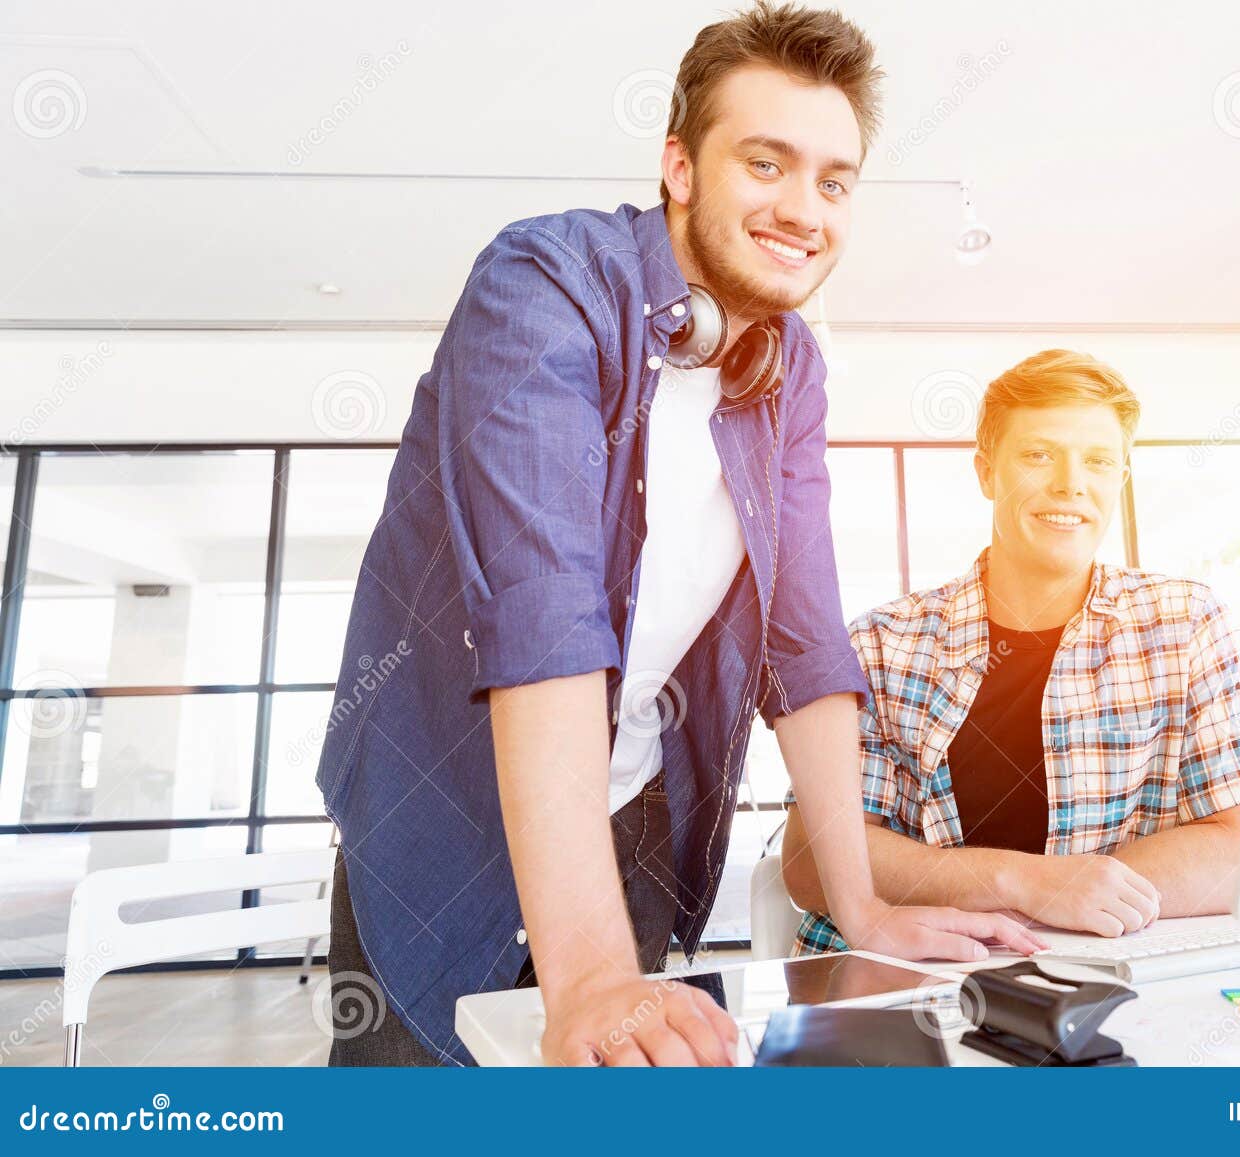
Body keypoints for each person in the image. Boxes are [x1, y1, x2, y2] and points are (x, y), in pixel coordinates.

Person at [316, 2, 1036, 1067]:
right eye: (766, 163)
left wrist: (864, 906)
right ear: (680, 168)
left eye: (834, 182)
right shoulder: (542, 284)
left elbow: (804, 642)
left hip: (633, 817)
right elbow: (543, 609)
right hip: (445, 812)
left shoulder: (790, 367)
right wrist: (590, 974)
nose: (804, 210)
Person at [782, 349, 1240, 951]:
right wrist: (1026, 882)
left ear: (1119, 479)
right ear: (987, 473)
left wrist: (1083, 902)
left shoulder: (1188, 622)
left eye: (1097, 460)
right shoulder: (881, 643)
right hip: (910, 978)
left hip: (1104, 978)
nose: (1071, 483)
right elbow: (808, 863)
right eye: (1039, 455)